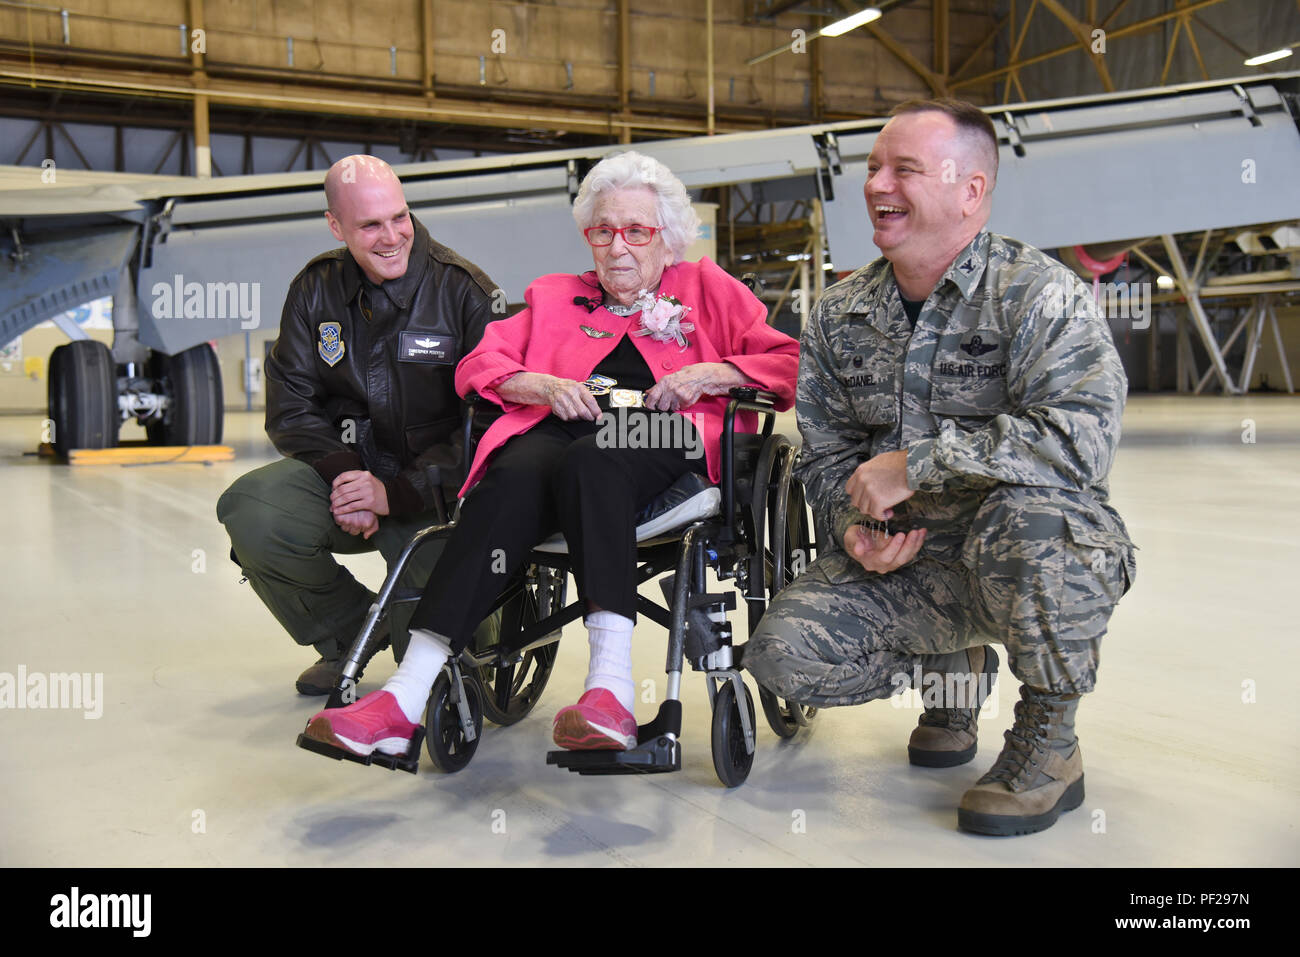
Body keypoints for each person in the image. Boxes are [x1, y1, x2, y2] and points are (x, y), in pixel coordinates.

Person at [302, 150, 799, 759]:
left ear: (666, 238)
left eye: (637, 231)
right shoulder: (554, 296)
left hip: (667, 434)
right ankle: (402, 699)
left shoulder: (707, 288)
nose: (618, 247)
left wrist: (711, 373)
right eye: (602, 231)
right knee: (508, 474)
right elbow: (479, 365)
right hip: (563, 433)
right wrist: (536, 385)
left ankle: (610, 691)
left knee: (596, 457)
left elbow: (787, 365)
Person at [744, 98, 1136, 836]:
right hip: (912, 566)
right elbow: (825, 452)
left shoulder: (1036, 293)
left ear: (971, 191)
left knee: (1042, 522)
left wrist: (917, 465)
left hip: (1020, 551)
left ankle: (1049, 743)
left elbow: (1081, 438)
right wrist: (854, 525)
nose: (875, 183)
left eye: (905, 169)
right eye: (872, 168)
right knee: (783, 658)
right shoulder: (837, 312)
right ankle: (953, 667)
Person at [217, 155, 501, 695]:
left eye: (400, 217)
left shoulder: (464, 292)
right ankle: (350, 634)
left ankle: (433, 634)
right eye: (371, 225)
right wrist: (349, 479)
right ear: (336, 226)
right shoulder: (315, 288)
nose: (393, 236)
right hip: (347, 483)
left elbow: (490, 422)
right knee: (253, 511)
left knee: (455, 658)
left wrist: (395, 492)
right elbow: (290, 401)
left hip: (439, 497)